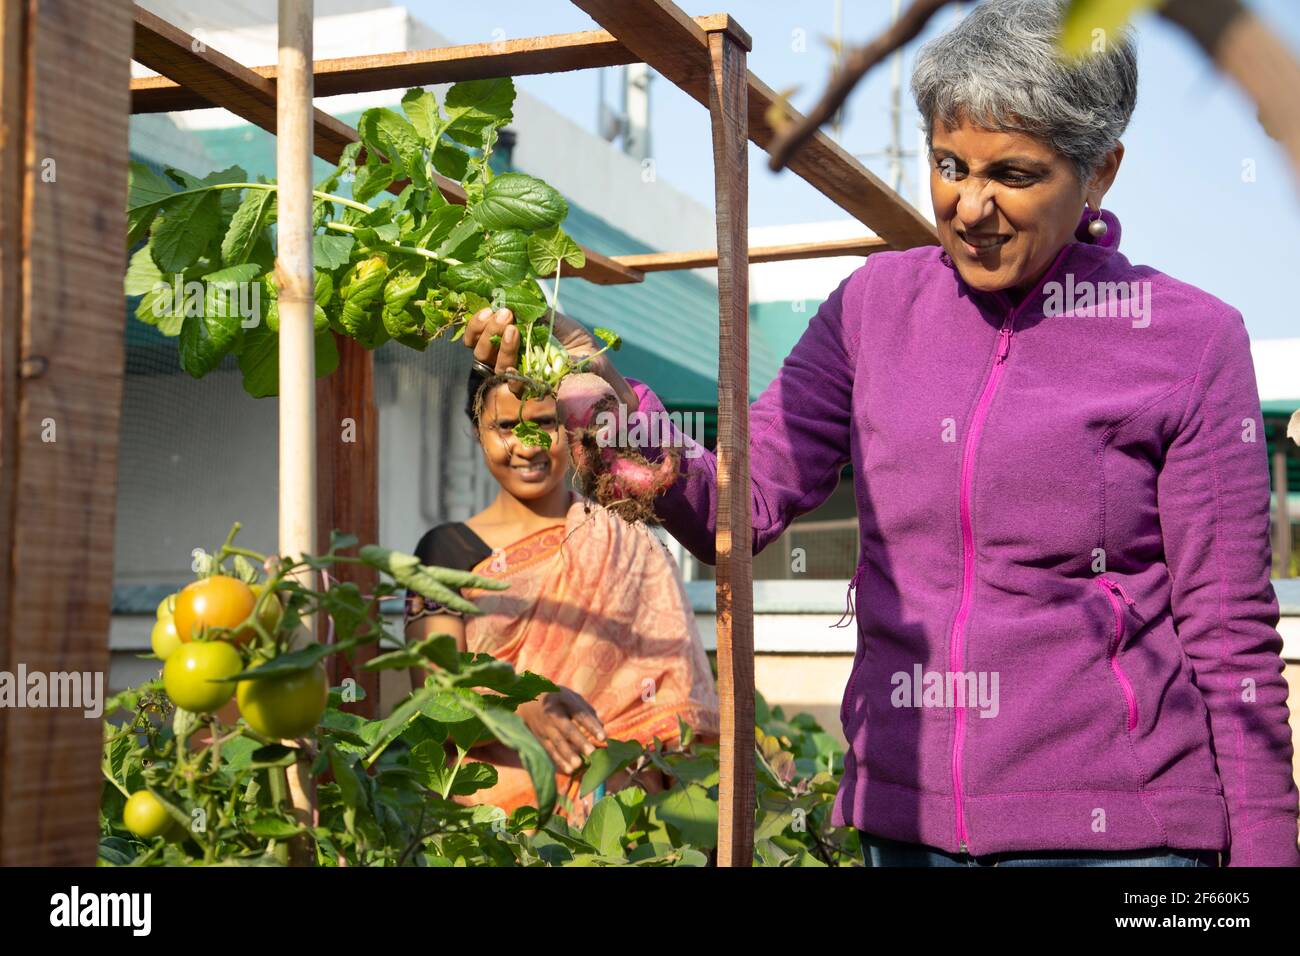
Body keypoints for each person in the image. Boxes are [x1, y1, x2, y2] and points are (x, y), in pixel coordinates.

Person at [462, 0, 1300, 866]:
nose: (971, 206)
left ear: (1099, 173)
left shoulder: (1186, 340)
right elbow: (736, 501)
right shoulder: (875, 309)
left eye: (1013, 174)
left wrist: (1269, 855)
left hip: (1120, 842)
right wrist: (587, 386)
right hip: (905, 830)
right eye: (949, 164)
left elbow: (1229, 628)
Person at [402, 366, 719, 826]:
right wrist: (527, 707)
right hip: (491, 826)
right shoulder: (446, 552)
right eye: (507, 427)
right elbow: (435, 703)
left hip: (620, 819)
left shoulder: (625, 540)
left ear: (571, 427)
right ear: (477, 431)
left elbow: (674, 698)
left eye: (545, 424)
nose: (528, 446)